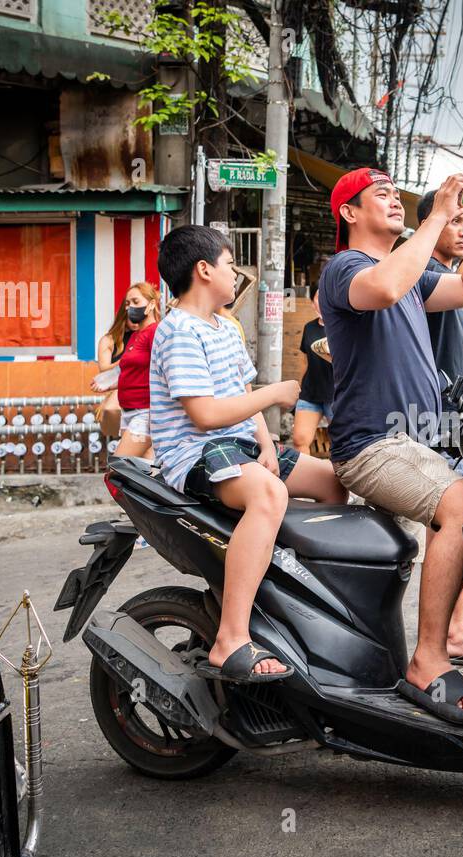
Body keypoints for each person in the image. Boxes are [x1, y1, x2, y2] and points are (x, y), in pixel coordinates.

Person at [319, 166, 463, 724]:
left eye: (396, 193)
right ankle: (428, 660)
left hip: (419, 442)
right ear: (349, 213)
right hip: (372, 443)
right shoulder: (346, 269)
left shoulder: (411, 276)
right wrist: (434, 219)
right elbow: (381, 288)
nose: (394, 201)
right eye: (380, 195)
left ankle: (444, 640)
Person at [150, 225, 347, 683]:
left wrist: (264, 444)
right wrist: (274, 394)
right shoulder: (178, 330)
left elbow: (242, 391)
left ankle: (295, 598)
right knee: (268, 495)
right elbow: (203, 414)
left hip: (239, 445)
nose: (235, 274)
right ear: (204, 270)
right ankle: (231, 636)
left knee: (336, 482)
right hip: (194, 452)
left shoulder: (225, 326)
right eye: (229, 265)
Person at [419, 185, 463, 656]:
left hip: (460, 414)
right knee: (455, 521)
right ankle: (451, 629)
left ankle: (456, 625)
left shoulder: (441, 272)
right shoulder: (425, 273)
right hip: (439, 418)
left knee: (458, 521)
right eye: (455, 220)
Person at [113, 286, 161, 459]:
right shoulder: (135, 335)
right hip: (128, 411)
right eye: (127, 303)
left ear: (151, 305)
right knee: (145, 470)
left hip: (144, 412)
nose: (129, 307)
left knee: (120, 467)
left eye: (135, 302)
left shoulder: (155, 332)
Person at [292, 289, 333, 455]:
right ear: (312, 302)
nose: (322, 300)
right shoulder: (309, 327)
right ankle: (306, 479)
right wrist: (300, 387)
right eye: (318, 297)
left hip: (337, 395)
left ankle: (339, 479)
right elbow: (304, 361)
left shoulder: (343, 327)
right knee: (299, 440)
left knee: (343, 443)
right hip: (310, 393)